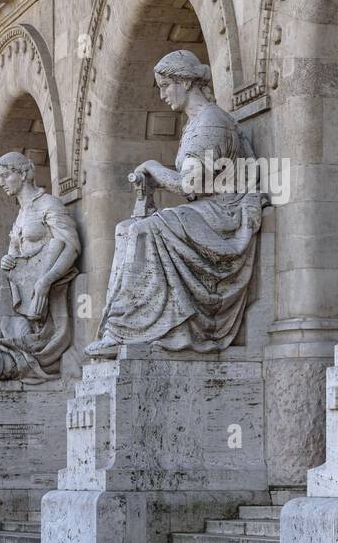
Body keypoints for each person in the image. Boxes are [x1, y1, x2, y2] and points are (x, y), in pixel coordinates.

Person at [86, 50, 264, 356]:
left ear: (185, 82)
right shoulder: (195, 125)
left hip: (225, 215)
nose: (162, 95)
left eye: (166, 86)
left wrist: (154, 168)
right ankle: (127, 326)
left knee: (148, 231)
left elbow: (188, 184)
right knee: (126, 229)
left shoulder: (212, 122)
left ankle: (142, 326)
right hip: (206, 210)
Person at [0, 151, 80, 384]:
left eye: (6, 175)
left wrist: (46, 281)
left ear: (24, 173)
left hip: (38, 287)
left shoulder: (49, 204)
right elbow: (13, 254)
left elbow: (71, 246)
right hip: (19, 284)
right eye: (0, 177)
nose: (2, 182)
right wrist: (7, 260)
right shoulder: (20, 215)